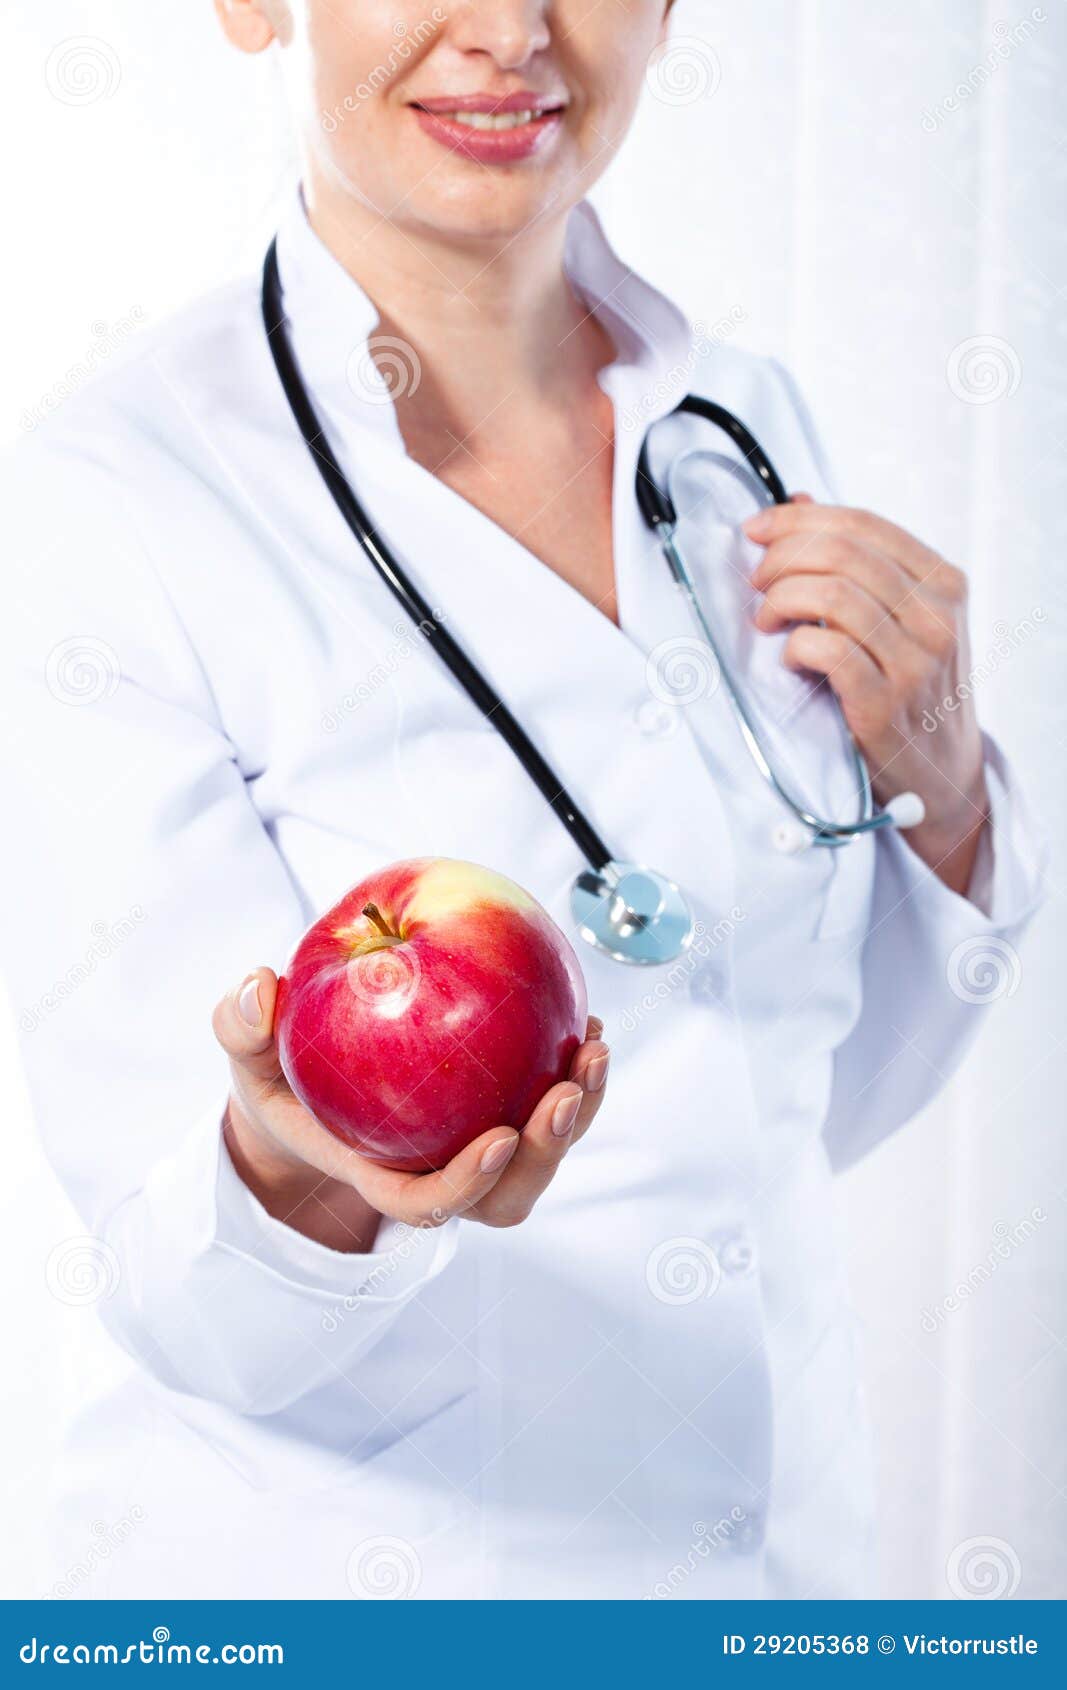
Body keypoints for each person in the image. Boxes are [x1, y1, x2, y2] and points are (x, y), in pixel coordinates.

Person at [2, 0, 1043, 1600]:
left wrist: (948, 796)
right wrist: (299, 1176)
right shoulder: (110, 503)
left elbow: (791, 1103)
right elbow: (181, 1294)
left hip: (783, 1586)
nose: (508, 29)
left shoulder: (741, 434)